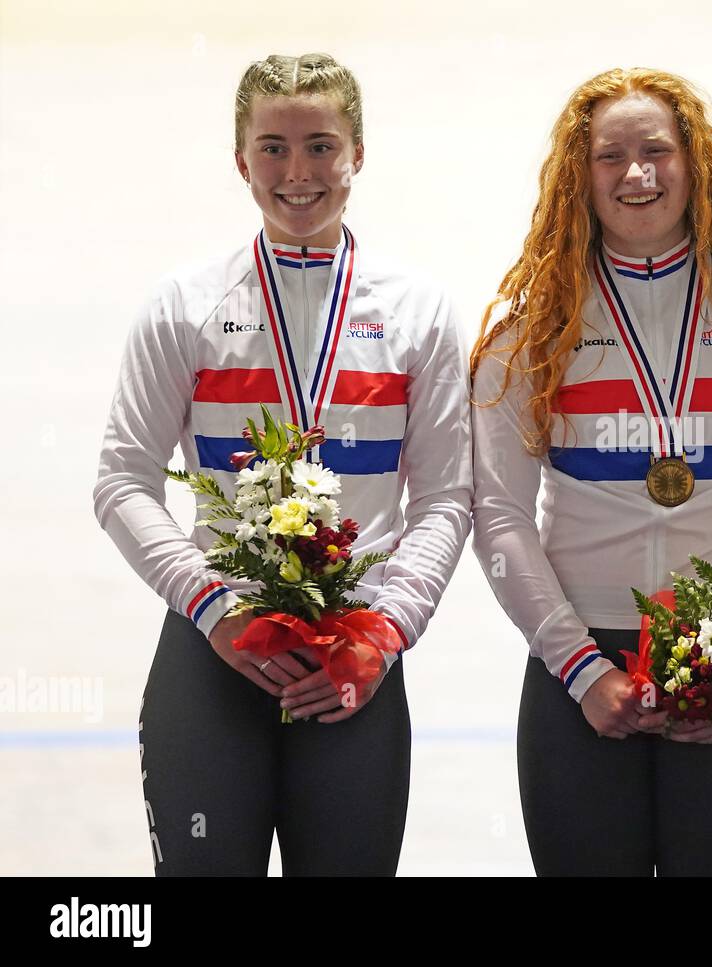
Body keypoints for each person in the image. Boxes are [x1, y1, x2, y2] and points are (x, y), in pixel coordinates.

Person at [92, 53, 472, 875]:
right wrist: (217, 610)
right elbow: (122, 479)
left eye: (321, 146)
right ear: (240, 161)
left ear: (358, 154)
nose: (298, 173)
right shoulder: (186, 304)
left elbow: (446, 499)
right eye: (273, 147)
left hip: (355, 664)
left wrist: (384, 632)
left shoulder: (419, 311)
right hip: (215, 653)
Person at [470, 68, 712, 876]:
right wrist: (579, 665)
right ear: (581, 174)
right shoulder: (534, 328)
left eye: (656, 151)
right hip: (579, 671)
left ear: (694, 163)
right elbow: (497, 515)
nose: (636, 174)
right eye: (611, 156)